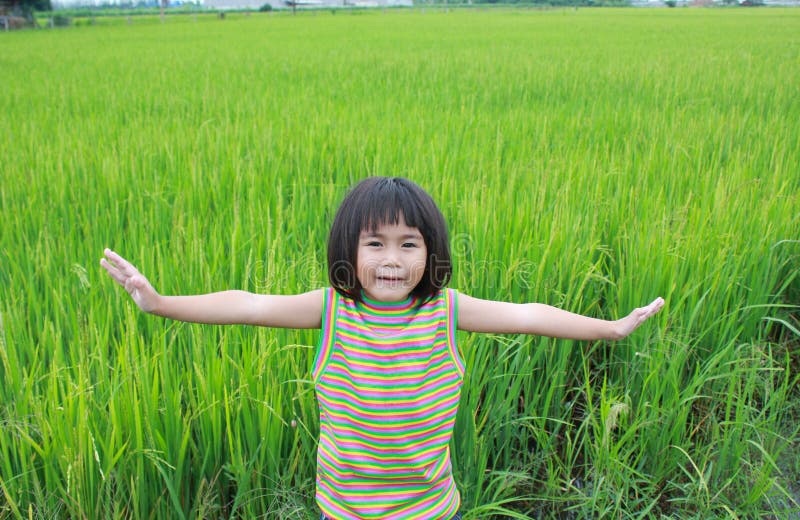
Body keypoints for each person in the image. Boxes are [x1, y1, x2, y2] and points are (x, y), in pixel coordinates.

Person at [101, 176, 664, 520]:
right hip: (344, 511)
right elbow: (249, 304)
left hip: (429, 510)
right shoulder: (330, 310)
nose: (392, 259)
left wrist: (609, 328)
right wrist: (161, 301)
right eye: (375, 243)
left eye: (408, 244)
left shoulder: (446, 310)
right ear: (349, 246)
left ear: (431, 251)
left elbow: (528, 316)